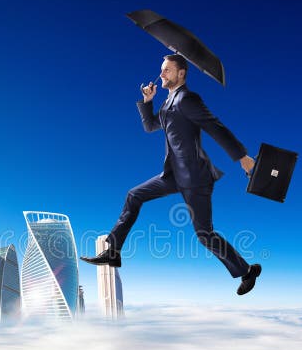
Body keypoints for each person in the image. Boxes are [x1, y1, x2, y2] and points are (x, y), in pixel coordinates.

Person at [80, 54, 262, 295]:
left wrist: (243, 157)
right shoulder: (168, 103)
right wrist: (148, 101)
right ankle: (113, 251)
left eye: (167, 70)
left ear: (181, 73)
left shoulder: (188, 99)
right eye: (162, 70)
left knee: (204, 235)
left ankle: (247, 272)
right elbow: (150, 126)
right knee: (134, 195)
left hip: (196, 178)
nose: (162, 74)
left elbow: (215, 127)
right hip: (173, 174)